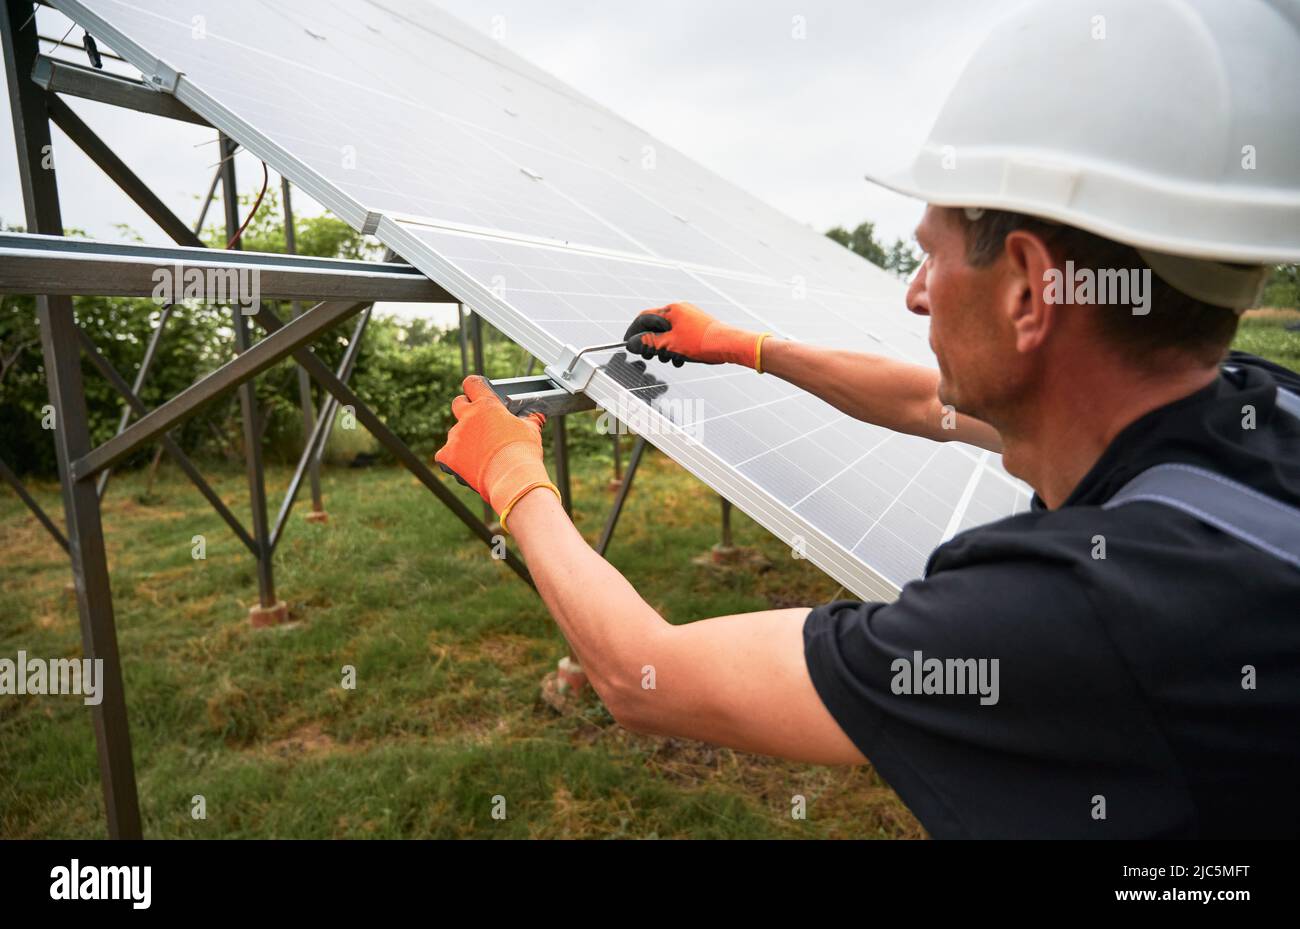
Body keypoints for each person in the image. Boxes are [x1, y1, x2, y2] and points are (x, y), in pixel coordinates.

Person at [434, 0, 1300, 837]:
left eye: (929, 253)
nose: (916, 291)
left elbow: (642, 673)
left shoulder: (1062, 617)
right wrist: (748, 346)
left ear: (1031, 290)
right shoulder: (1256, 408)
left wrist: (515, 478)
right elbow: (931, 401)